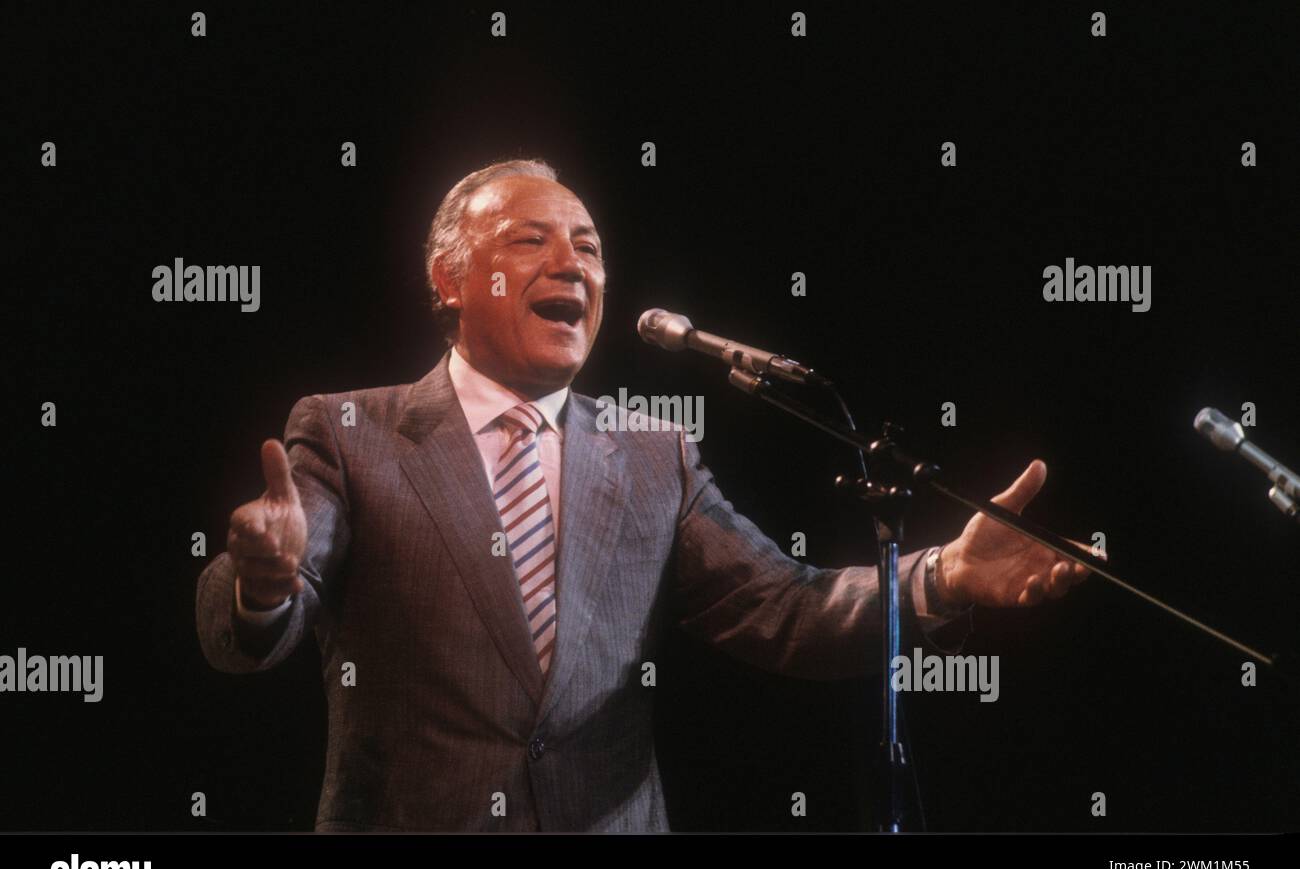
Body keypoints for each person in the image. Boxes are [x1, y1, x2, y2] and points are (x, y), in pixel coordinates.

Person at [195, 158, 1091, 831]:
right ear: (450, 279)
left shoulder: (653, 456)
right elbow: (270, 600)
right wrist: (263, 583)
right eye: (529, 240)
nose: (571, 264)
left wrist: (940, 578)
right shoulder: (352, 432)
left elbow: (785, 608)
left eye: (588, 247)